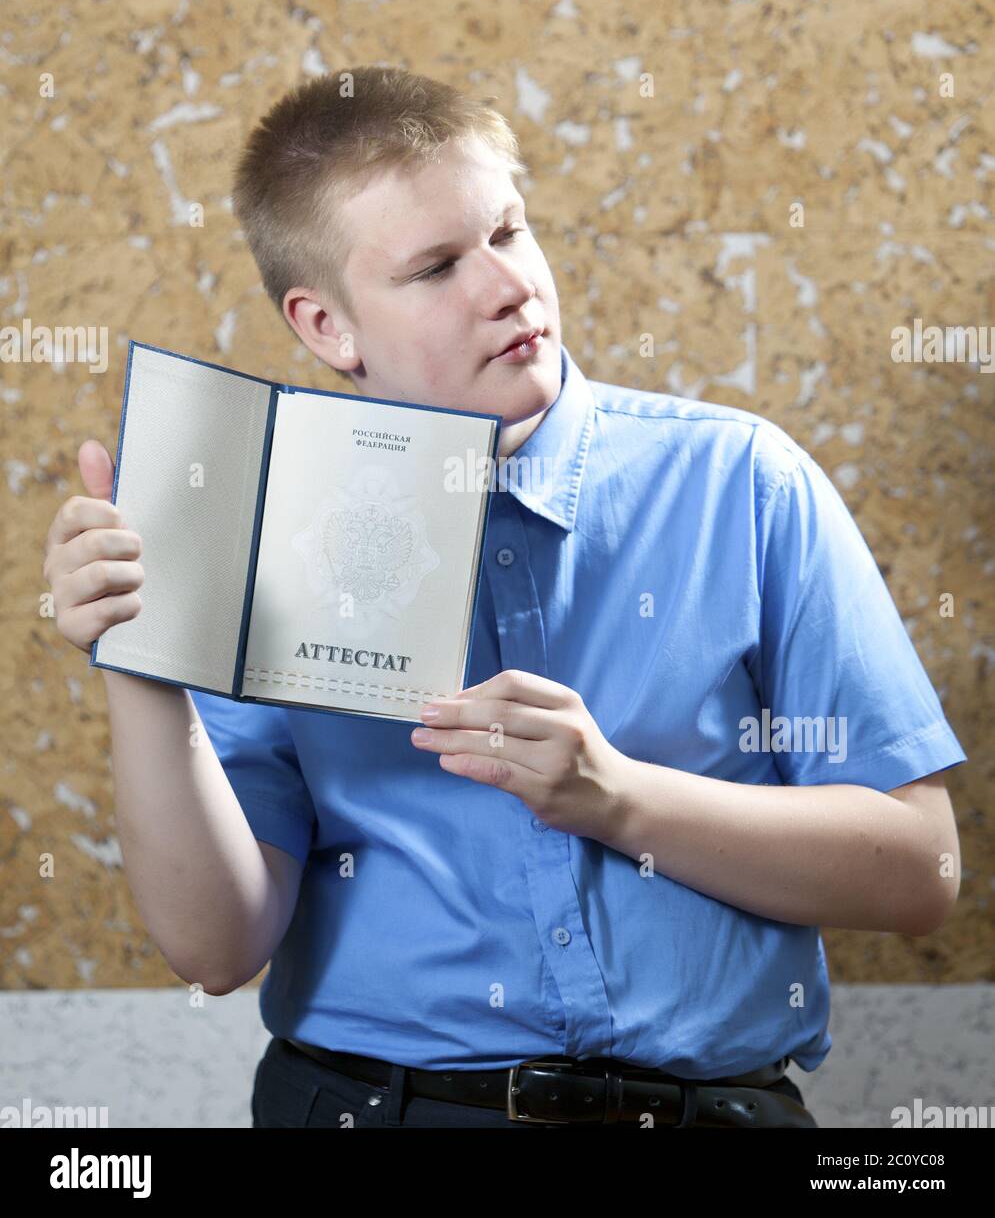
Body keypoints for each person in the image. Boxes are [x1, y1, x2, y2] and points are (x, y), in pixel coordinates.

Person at [44, 66, 966, 1129]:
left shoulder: (743, 483)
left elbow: (918, 870)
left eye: (509, 231)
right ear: (328, 327)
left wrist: (617, 796)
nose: (505, 286)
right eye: (435, 267)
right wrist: (143, 663)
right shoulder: (260, 530)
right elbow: (214, 948)